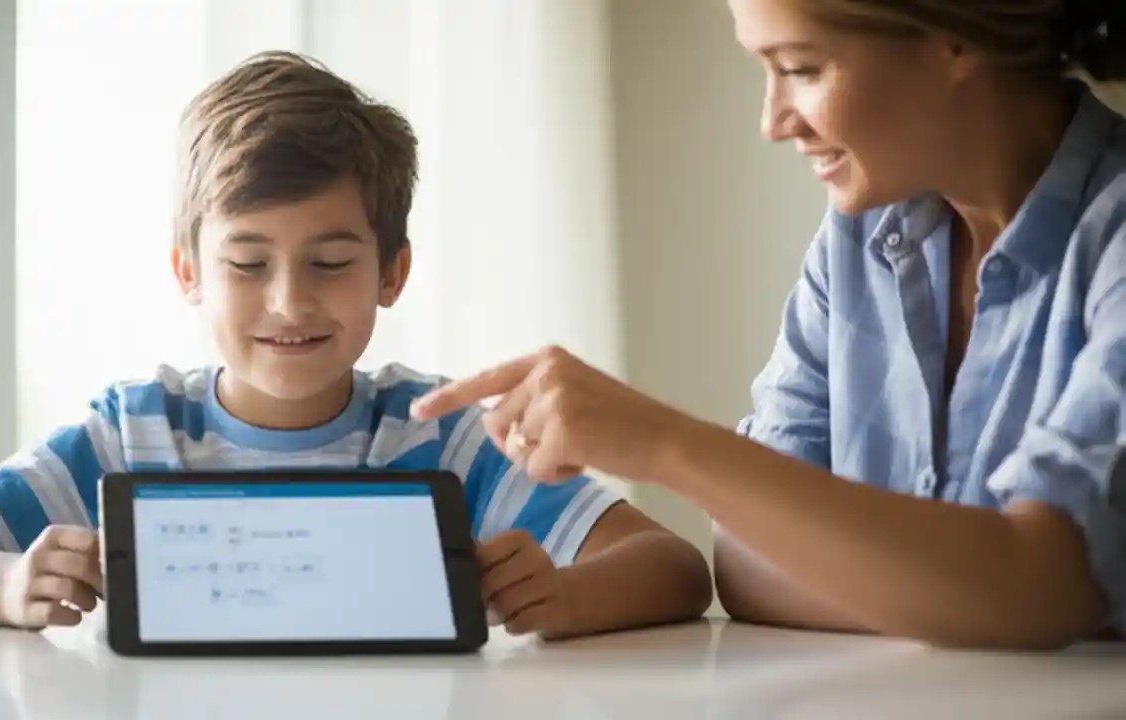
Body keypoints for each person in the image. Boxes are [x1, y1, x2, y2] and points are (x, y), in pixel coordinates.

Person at [0, 51, 712, 640]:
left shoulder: (442, 436)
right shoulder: (131, 434)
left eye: (332, 261)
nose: (289, 300)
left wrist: (563, 594)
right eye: (247, 262)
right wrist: (9, 585)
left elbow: (672, 568)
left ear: (392, 271)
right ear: (188, 269)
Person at [413, 0, 1126, 650]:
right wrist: (965, 600)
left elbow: (1047, 583)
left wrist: (666, 443)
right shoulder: (861, 241)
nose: (773, 120)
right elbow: (746, 561)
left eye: (801, 69)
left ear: (958, 38)